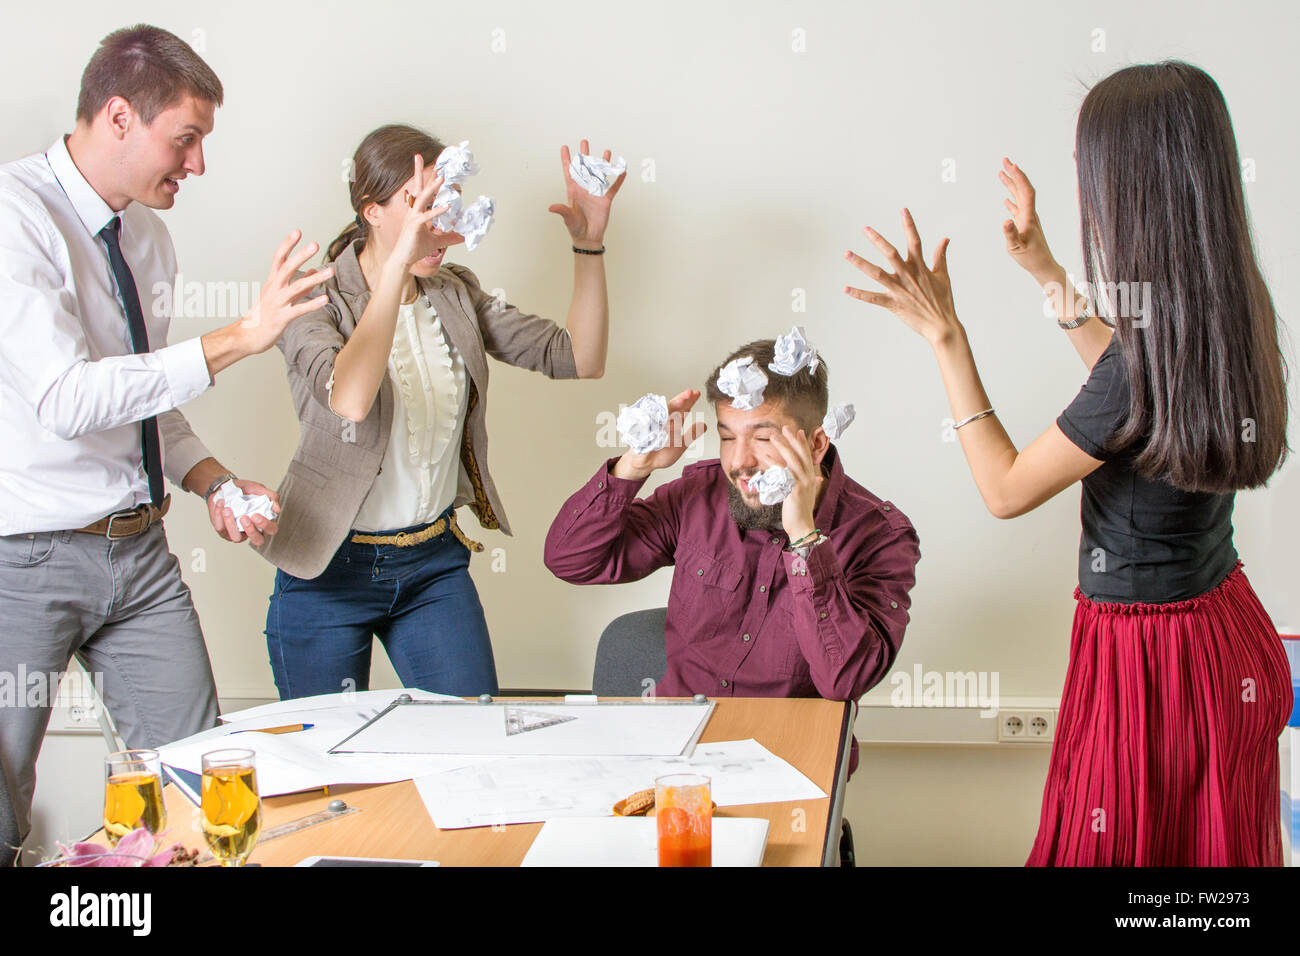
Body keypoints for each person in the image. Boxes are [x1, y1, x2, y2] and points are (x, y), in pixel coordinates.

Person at [843, 61, 1292, 865]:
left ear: (1132, 191)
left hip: (1150, 672)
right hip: (1226, 645)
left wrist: (946, 337)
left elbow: (1005, 488)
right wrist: (1049, 276)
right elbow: (1137, 393)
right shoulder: (1233, 306)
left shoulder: (1140, 364)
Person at [0, 25, 331, 865]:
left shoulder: (147, 240)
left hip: (137, 555)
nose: (196, 165)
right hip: (24, 561)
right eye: (184, 140)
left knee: (203, 788)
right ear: (119, 117)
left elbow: (146, 398)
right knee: (1, 808)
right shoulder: (14, 219)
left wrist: (215, 481)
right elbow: (68, 399)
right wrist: (242, 337)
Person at [256, 125, 622, 700]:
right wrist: (398, 267)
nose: (439, 220)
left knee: (469, 744)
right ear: (371, 211)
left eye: (443, 200)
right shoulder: (311, 300)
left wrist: (590, 244)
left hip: (431, 566)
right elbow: (349, 399)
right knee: (326, 767)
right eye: (417, 203)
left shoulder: (454, 293)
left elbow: (578, 356)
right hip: (326, 570)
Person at [543, 339, 922, 774]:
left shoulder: (881, 535)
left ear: (816, 444)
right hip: (673, 755)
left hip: (788, 766)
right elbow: (570, 559)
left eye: (762, 438)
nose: (739, 462)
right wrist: (636, 465)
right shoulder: (698, 496)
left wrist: (804, 539)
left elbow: (845, 681)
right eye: (727, 437)